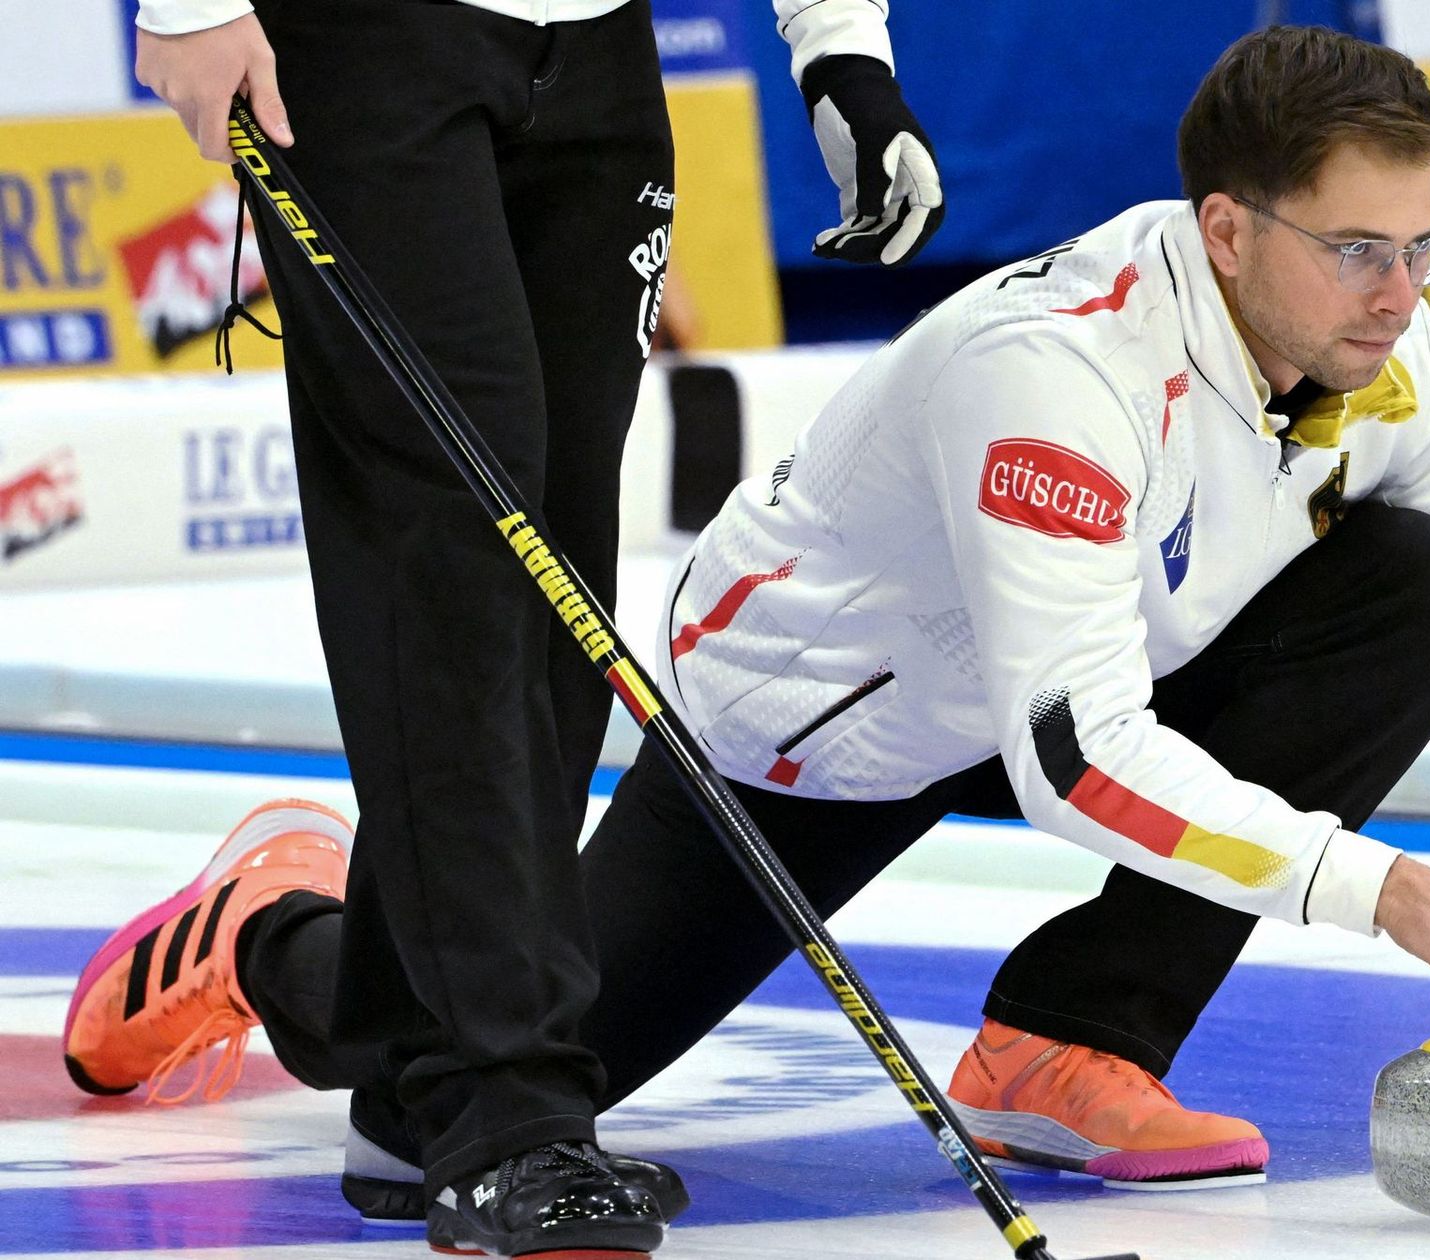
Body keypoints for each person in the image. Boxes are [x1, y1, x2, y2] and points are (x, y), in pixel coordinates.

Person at [70, 20, 1430, 1222]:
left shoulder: (1378, 340)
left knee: (1425, 587)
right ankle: (278, 932)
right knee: (421, 1097)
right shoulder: (1055, 378)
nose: (1399, 293)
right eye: (1358, 249)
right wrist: (1395, 894)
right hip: (817, 742)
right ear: (1224, 228)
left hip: (1081, 661)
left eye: (1421, 247)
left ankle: (1070, 1041)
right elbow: (1079, 763)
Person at [62, 0, 943, 1255]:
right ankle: (504, 1112)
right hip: (365, 54)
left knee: (552, 599)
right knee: (454, 571)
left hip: (598, 61)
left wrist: (840, 45)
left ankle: (336, 1002)